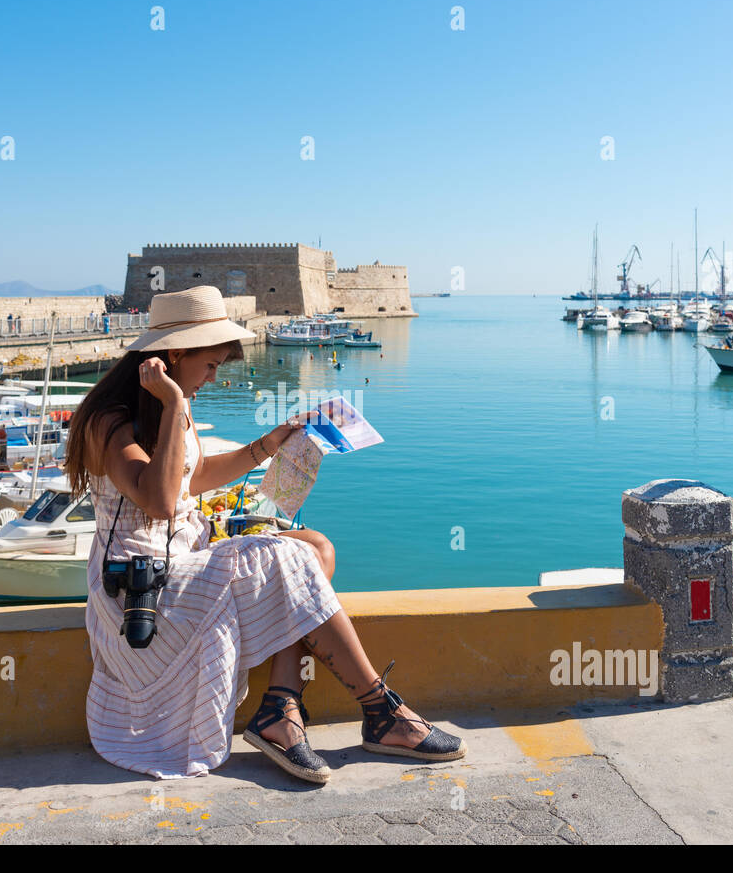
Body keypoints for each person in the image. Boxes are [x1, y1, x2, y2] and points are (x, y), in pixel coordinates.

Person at [66, 285, 464, 783]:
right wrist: (169, 404)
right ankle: (379, 709)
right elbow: (162, 500)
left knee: (316, 549)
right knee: (289, 560)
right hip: (143, 588)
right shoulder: (111, 421)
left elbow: (192, 476)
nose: (213, 377)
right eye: (209, 365)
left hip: (187, 559)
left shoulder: (176, 405)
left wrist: (267, 444)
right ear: (173, 355)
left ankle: (281, 706)